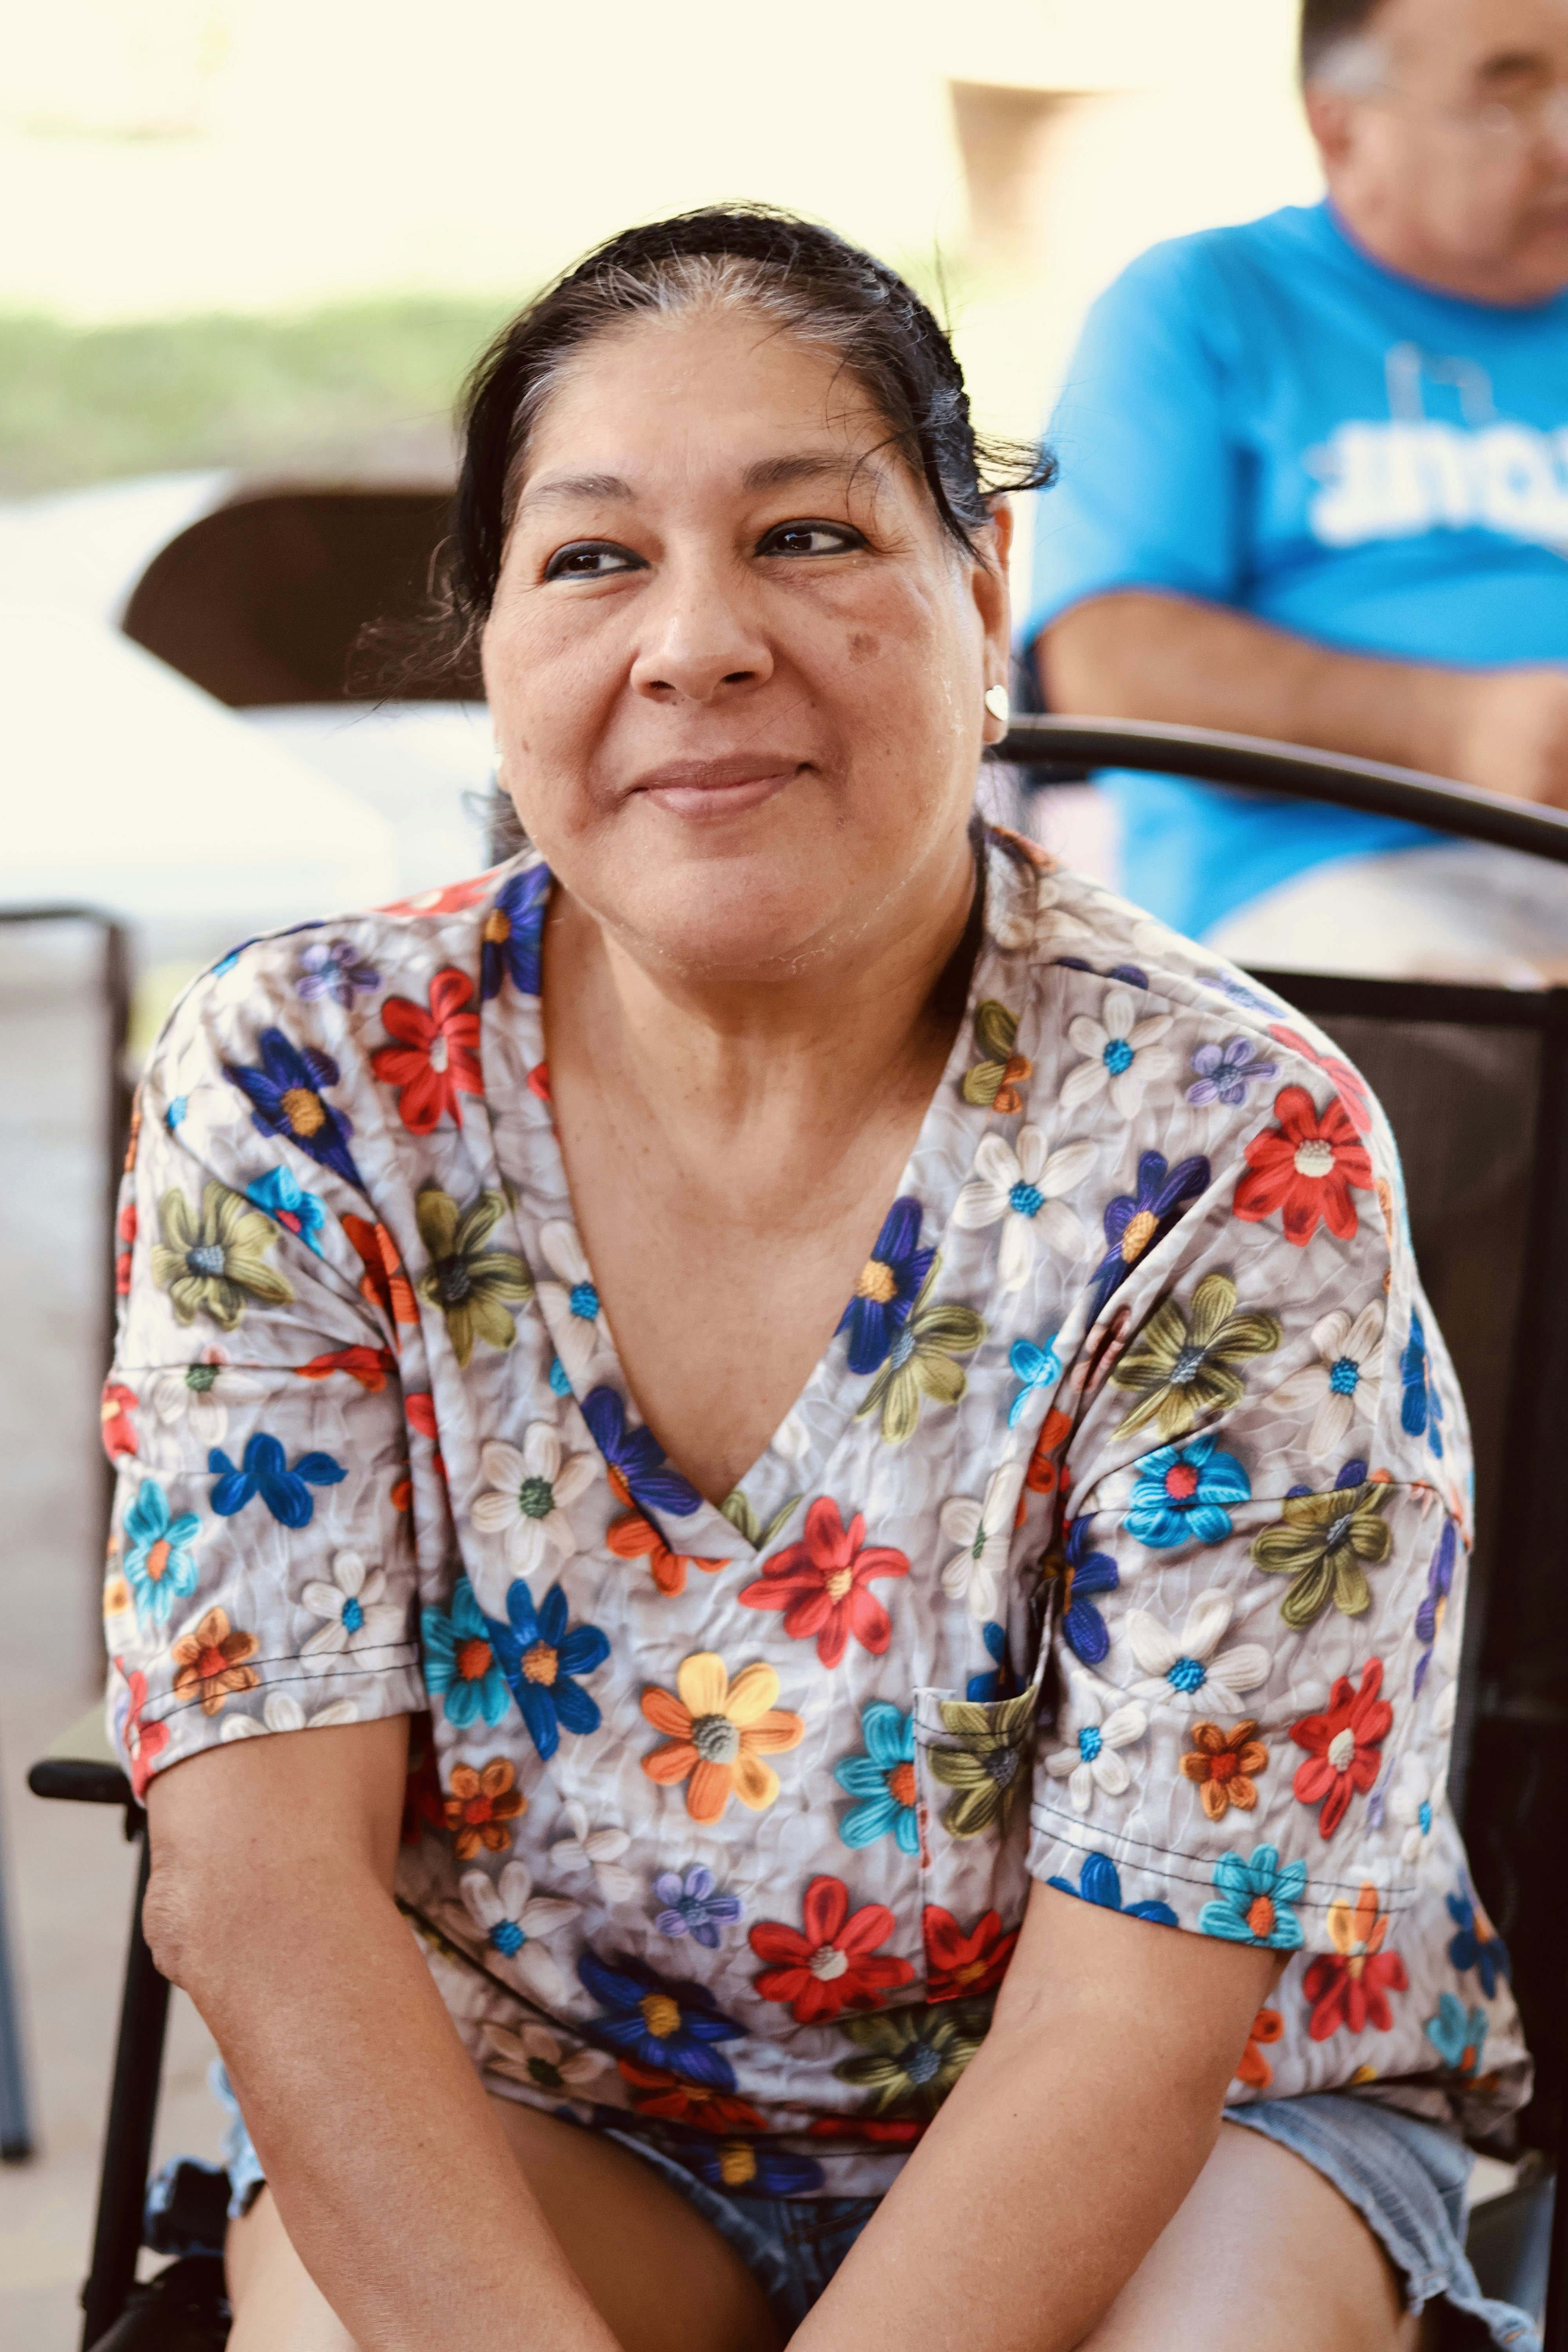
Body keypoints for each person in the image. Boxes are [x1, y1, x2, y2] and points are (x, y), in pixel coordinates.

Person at [106, 207, 1534, 2352]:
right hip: (557, 2097)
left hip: (1200, 2111)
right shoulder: (307, 1083)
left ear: (984, 598)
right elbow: (262, 1882)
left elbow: (1133, 2018)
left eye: (807, 538)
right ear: (493, 643)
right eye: (594, 559)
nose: (697, 642)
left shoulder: (1235, 1149)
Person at [1028, 0, 1568, 983]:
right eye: (1507, 100)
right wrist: (1457, 730)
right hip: (1323, 892)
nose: (1562, 140)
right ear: (1340, 120)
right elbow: (1106, 660)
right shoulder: (1203, 301)